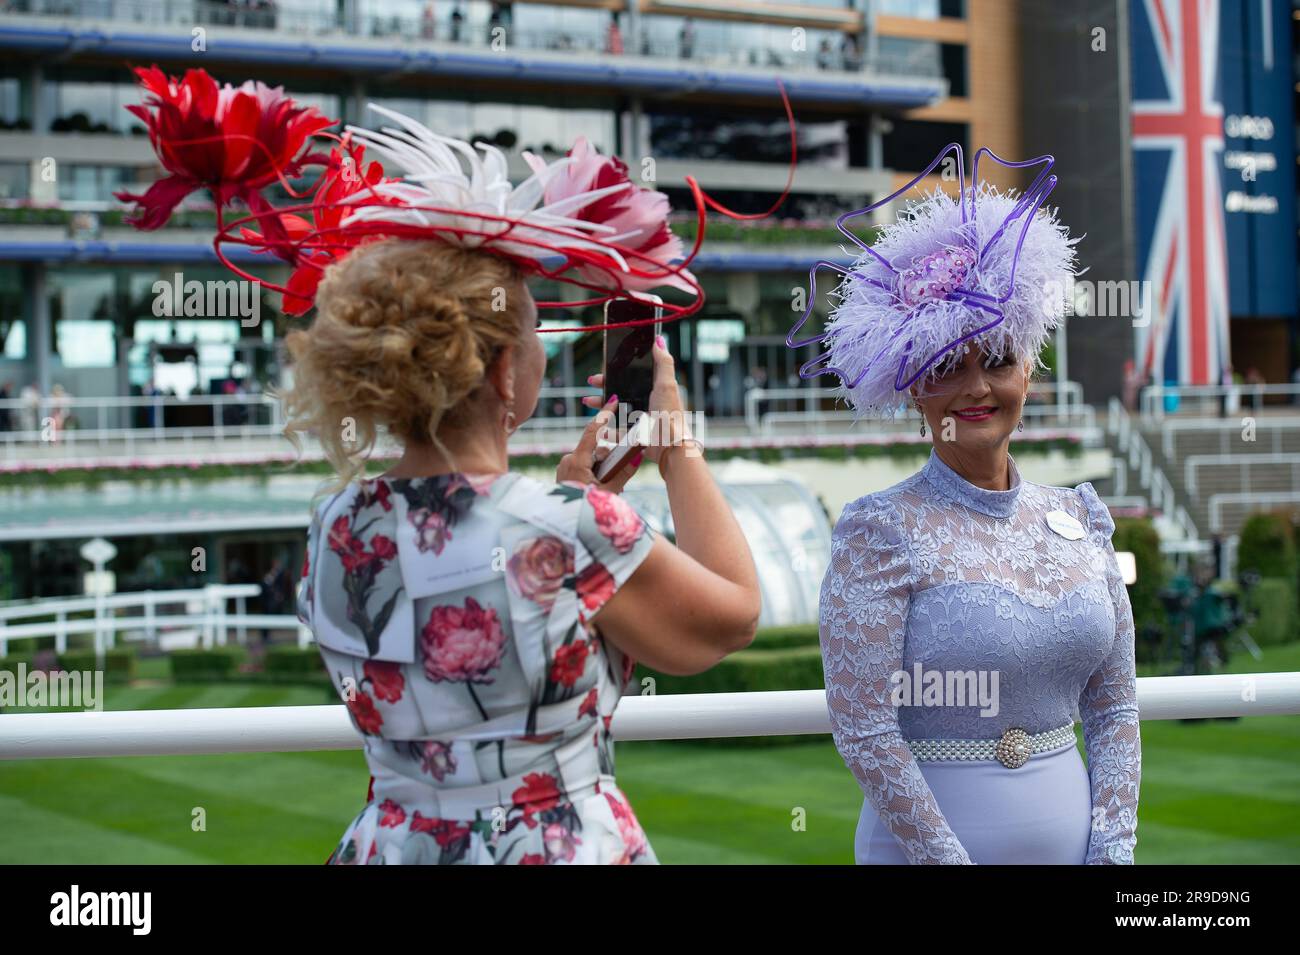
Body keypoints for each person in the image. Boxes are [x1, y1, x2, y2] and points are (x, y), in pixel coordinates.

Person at [788, 146, 1141, 864]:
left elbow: (1114, 708)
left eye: (998, 359)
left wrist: (1112, 847)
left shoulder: (1082, 516)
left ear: (1030, 372)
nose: (977, 387)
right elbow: (864, 730)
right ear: (913, 388)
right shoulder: (878, 530)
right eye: (947, 366)